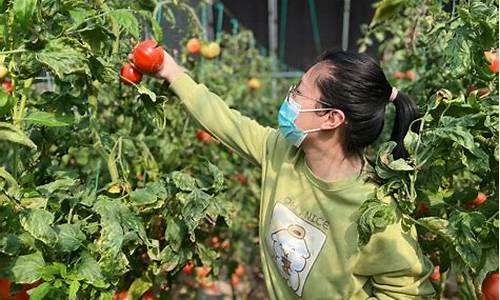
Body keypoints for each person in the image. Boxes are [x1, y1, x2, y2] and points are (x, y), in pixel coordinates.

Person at [129, 49, 436, 299]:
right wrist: (171, 72)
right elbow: (225, 122)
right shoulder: (282, 153)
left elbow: (408, 292)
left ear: (331, 118)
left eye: (298, 93)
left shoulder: (376, 211)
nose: (289, 99)